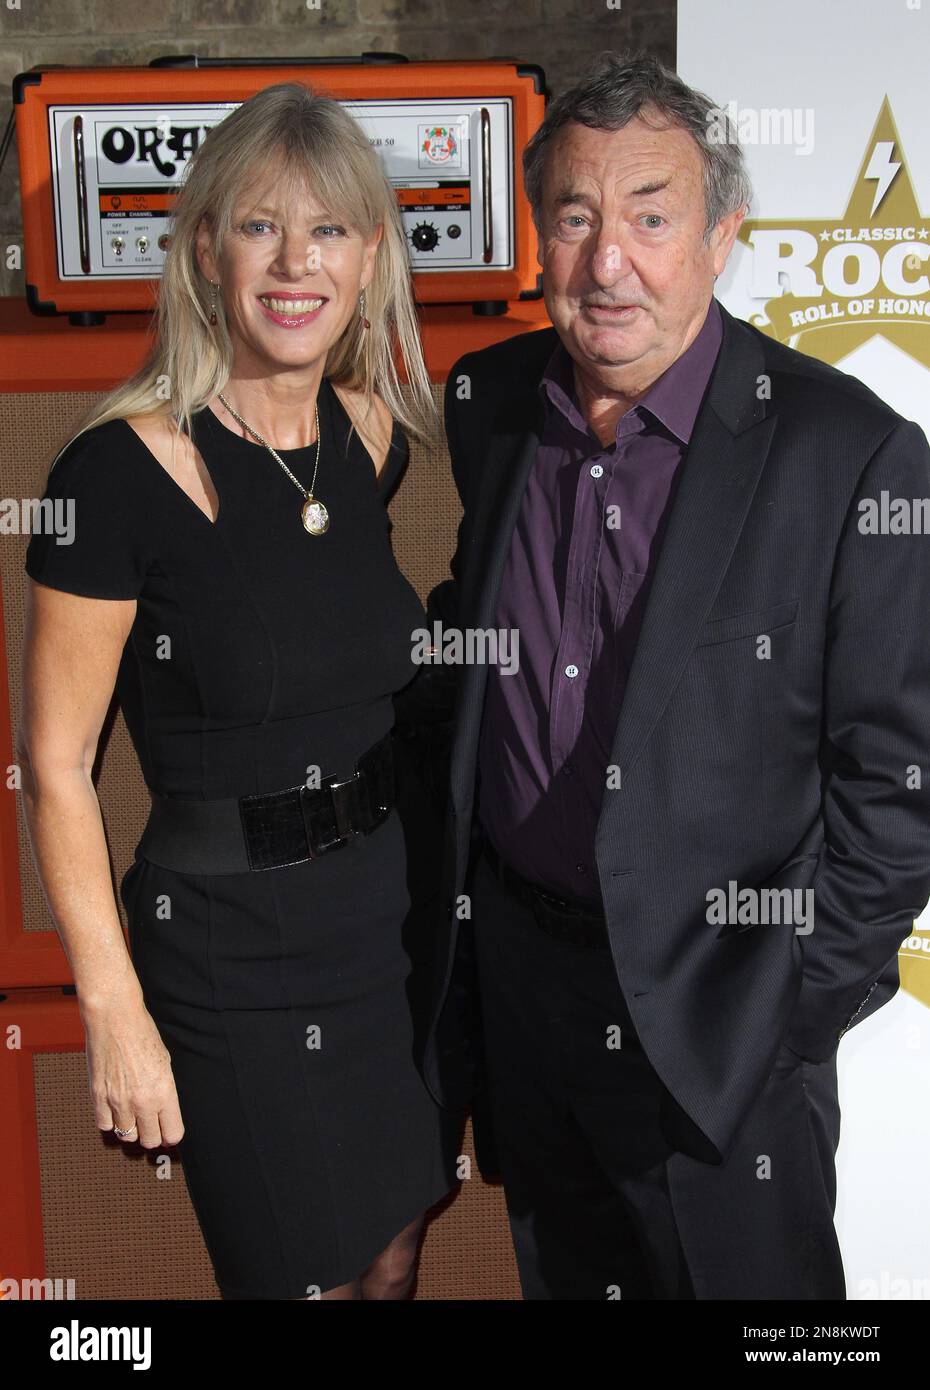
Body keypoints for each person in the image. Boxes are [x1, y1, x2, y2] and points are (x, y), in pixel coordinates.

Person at [410, 51, 930, 1298]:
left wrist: (786, 1017)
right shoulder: (487, 401)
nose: (609, 262)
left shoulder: (847, 452)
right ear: (541, 239)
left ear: (723, 235)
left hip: (720, 1030)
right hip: (529, 1011)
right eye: (577, 218)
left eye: (650, 217)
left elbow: (898, 784)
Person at [19, 81, 461, 1301]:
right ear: (205, 247)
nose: (294, 262)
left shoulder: (370, 436)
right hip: (224, 952)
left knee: (392, 1248)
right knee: (298, 1279)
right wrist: (113, 1012)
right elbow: (57, 766)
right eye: (260, 226)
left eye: (327, 230)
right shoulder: (112, 475)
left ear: (371, 256)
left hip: (383, 923)